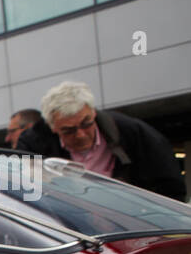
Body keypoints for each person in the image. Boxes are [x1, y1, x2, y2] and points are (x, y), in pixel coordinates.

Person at [15, 81, 184, 201]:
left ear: (94, 113)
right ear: (52, 127)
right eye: (69, 130)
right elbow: (25, 192)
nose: (80, 134)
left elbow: (170, 187)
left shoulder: (134, 133)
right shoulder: (32, 145)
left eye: (86, 123)